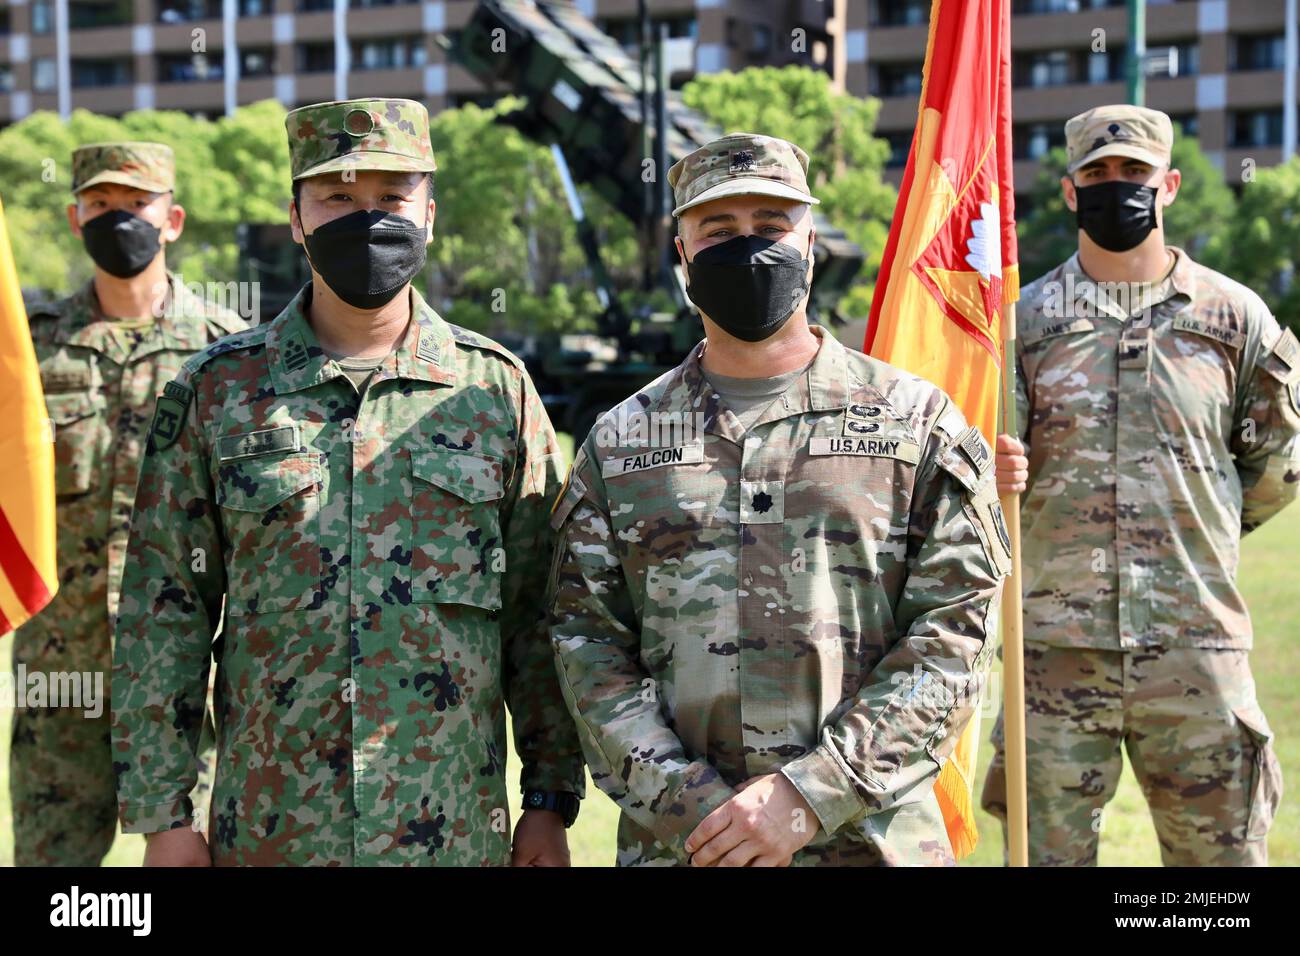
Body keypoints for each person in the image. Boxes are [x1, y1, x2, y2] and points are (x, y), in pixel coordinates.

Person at [112, 98, 584, 866]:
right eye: (337, 198)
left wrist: (549, 800)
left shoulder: (496, 390)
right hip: (273, 831)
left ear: (429, 213)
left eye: (391, 198)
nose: (366, 220)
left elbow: (538, 611)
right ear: (296, 218)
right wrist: (165, 818)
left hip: (453, 832)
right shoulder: (216, 390)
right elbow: (162, 614)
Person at [547, 132, 1010, 866]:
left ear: (811, 243)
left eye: (771, 226)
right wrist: (696, 809)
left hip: (872, 843)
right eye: (719, 231)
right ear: (682, 255)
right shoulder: (620, 441)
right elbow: (587, 648)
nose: (749, 248)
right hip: (687, 848)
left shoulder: (916, 421)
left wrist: (812, 794)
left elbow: (955, 636)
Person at [980, 105, 1297, 865]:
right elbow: (989, 477)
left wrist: (1201, 527)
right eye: (1096, 174)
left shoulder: (1234, 318)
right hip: (1054, 649)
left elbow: (1277, 466)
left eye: (1134, 173)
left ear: (1171, 184)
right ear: (1068, 190)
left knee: (1214, 885)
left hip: (1195, 646)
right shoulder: (1022, 323)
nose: (1115, 187)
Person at [12, 141, 243, 866]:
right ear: (75, 216)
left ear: (171, 219)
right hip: (62, 676)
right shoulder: (30, 351)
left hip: (184, 680)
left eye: (135, 206)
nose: (119, 221)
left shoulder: (224, 356)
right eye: (100, 206)